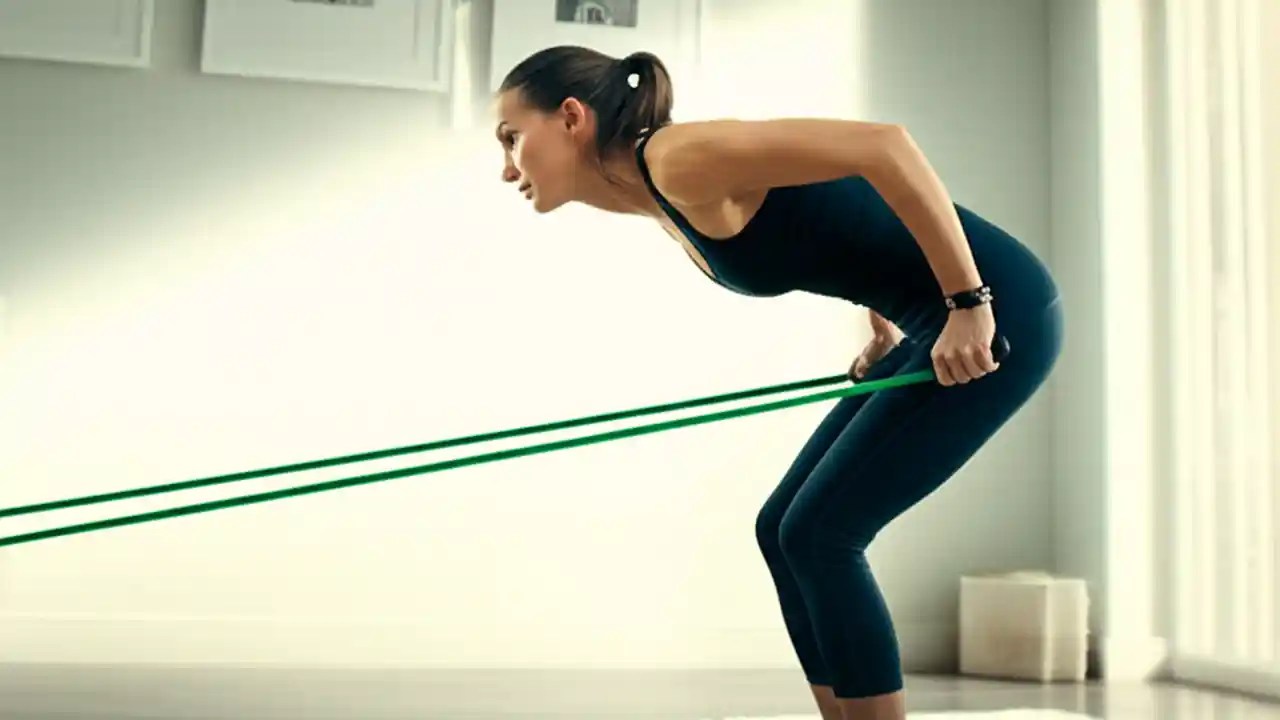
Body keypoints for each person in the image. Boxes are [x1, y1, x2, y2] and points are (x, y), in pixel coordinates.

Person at [492, 45, 1063, 720]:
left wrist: (969, 303)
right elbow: (830, 216)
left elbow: (885, 148)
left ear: (570, 117)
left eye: (510, 138)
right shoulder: (648, 195)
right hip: (932, 318)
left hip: (1001, 312)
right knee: (783, 531)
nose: (506, 168)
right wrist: (882, 323)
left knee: (822, 534)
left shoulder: (677, 158)